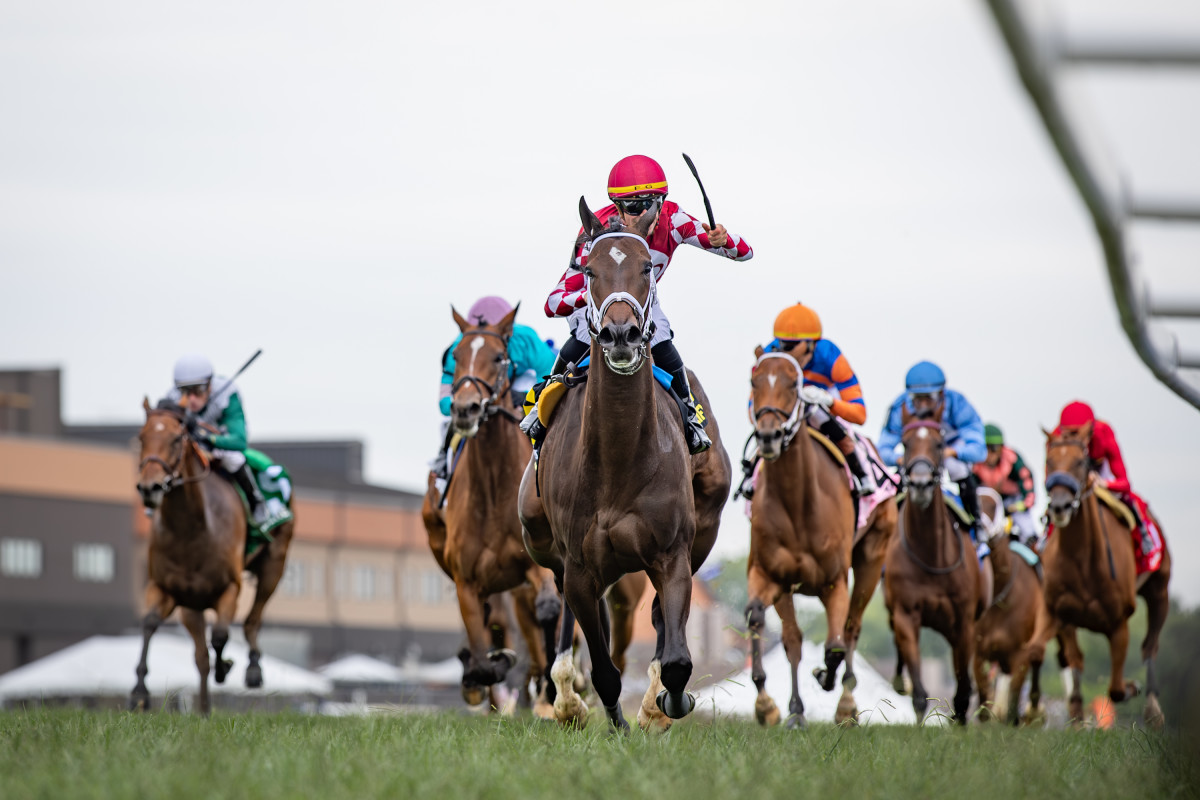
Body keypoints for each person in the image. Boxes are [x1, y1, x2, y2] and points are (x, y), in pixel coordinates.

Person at [537, 154, 753, 454]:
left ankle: (689, 418)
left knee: (664, 345)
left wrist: (723, 240)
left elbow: (745, 253)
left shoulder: (675, 221)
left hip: (642, 305)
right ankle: (539, 413)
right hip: (599, 307)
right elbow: (553, 303)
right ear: (617, 207)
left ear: (662, 204)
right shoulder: (594, 234)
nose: (642, 215)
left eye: (650, 205)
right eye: (633, 207)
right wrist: (597, 296)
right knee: (578, 341)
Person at [431, 296, 557, 484]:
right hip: (479, 386)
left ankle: (553, 467)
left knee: (543, 415)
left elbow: (549, 373)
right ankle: (442, 465)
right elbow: (443, 403)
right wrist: (456, 405)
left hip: (520, 379)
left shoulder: (525, 339)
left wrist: (525, 398)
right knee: (452, 420)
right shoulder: (457, 350)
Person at [762, 302, 877, 496]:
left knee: (816, 413)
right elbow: (754, 403)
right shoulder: (770, 354)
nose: (785, 351)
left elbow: (859, 415)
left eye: (791, 346)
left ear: (811, 344)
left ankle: (862, 475)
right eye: (782, 345)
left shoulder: (830, 355)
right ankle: (750, 477)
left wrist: (829, 401)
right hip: (784, 413)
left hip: (821, 410)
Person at [1054, 401, 1164, 573]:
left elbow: (1125, 483)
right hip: (1074, 482)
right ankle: (1045, 540)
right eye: (1068, 434)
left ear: (1089, 430)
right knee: (1056, 504)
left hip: (1101, 476)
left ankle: (1144, 538)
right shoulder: (1056, 438)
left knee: (1129, 500)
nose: (1073, 439)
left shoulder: (1104, 434)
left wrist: (1104, 483)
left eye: (1078, 433)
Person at [878, 361, 987, 527]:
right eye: (917, 399)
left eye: (929, 399)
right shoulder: (899, 407)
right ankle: (888, 524)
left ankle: (976, 522)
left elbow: (979, 450)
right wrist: (898, 458)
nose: (923, 406)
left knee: (956, 468)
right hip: (916, 453)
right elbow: (883, 449)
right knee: (899, 474)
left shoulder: (958, 404)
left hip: (947, 452)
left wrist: (954, 452)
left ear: (942, 393)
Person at [166, 354, 268, 526]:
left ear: (209, 385)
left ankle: (255, 500)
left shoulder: (228, 394)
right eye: (185, 391)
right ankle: (156, 499)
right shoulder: (171, 398)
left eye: (197, 391)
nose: (191, 399)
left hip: (219, 444)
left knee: (234, 458)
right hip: (189, 446)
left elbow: (240, 441)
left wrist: (208, 437)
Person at [973, 423, 1039, 545]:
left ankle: (1036, 552)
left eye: (993, 448)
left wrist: (1020, 505)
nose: (989, 454)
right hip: (987, 504)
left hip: (1012, 502)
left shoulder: (1012, 459)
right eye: (985, 448)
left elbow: (1028, 485)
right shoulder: (975, 464)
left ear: (1001, 448)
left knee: (1026, 528)